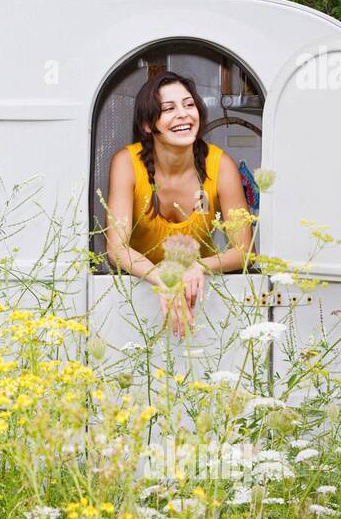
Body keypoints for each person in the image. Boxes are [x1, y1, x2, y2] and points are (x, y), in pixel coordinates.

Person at [104, 71, 253, 336]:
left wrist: (198, 266)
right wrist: (163, 277)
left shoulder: (221, 166)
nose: (183, 114)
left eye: (189, 104)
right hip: (134, 302)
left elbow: (244, 250)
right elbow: (116, 249)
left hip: (200, 302)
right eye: (169, 108)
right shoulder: (126, 163)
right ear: (148, 125)